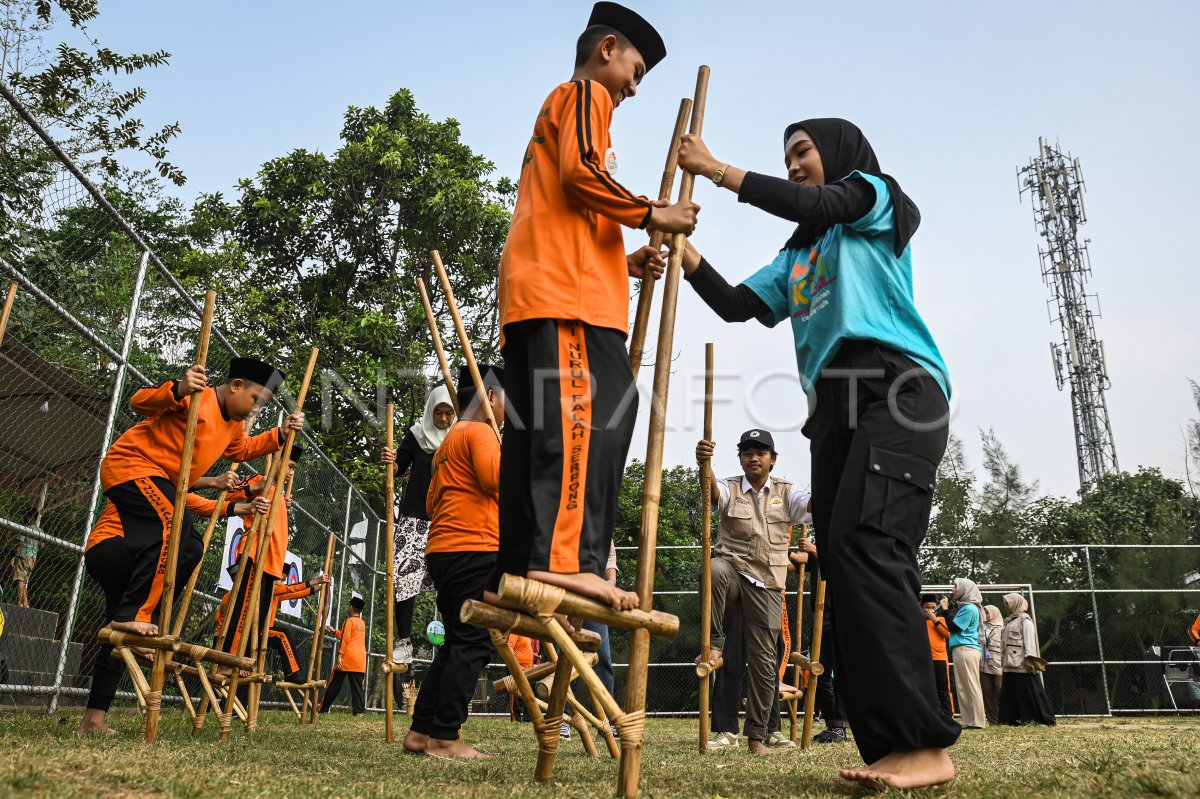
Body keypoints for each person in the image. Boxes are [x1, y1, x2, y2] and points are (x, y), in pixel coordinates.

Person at [676, 118, 960, 787]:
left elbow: (820, 202)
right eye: (787, 156)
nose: (795, 163)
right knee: (839, 553)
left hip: (897, 384)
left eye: (802, 151)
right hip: (832, 404)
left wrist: (719, 171)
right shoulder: (798, 258)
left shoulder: (872, 198)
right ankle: (892, 743)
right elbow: (738, 303)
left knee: (869, 543)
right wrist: (683, 251)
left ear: (834, 153)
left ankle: (926, 742)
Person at [493, 1, 697, 611]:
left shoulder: (575, 108)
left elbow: (573, 204)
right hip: (565, 298)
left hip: (563, 285)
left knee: (544, 426)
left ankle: (528, 561)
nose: (635, 87)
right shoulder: (584, 97)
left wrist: (624, 260)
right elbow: (584, 176)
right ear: (607, 48)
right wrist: (654, 212)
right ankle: (565, 561)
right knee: (593, 413)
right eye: (636, 69)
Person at [77, 357, 303, 736]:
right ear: (235, 385)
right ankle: (142, 614)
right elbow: (139, 402)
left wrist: (280, 434)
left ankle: (93, 718)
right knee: (173, 530)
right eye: (254, 399)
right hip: (130, 469)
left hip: (154, 511)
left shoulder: (230, 429)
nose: (255, 409)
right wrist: (179, 388)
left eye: (262, 406)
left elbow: (243, 450)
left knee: (190, 548)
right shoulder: (195, 399)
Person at [403, 365, 504, 759]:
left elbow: (431, 503)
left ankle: (421, 731)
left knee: (453, 644)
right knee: (474, 642)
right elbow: (496, 479)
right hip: (473, 548)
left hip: (443, 549)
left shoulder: (445, 444)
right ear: (491, 398)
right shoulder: (480, 432)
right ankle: (445, 737)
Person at [696, 429, 811, 755]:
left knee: (764, 664)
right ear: (741, 458)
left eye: (761, 452)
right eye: (747, 452)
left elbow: (813, 505)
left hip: (768, 585)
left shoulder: (787, 492)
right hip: (732, 576)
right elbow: (712, 494)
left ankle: (759, 737)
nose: (754, 457)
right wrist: (704, 464)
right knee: (713, 567)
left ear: (773, 459)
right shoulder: (731, 487)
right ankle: (714, 645)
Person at [380, 385, 455, 666]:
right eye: (439, 413)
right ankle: (405, 642)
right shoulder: (416, 434)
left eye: (449, 413)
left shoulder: (460, 436)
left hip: (447, 518)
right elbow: (400, 463)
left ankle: (453, 640)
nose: (444, 419)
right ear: (430, 410)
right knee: (404, 577)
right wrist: (392, 462)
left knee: (449, 580)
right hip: (414, 516)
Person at [219, 444, 305, 659]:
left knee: (259, 619)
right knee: (242, 611)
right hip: (255, 556)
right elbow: (227, 494)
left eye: (294, 469)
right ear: (277, 460)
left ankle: (244, 659)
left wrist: (281, 503)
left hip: (272, 565)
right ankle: (227, 659)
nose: (290, 473)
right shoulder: (260, 481)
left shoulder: (279, 495)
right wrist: (256, 487)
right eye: (290, 466)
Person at [998, 593, 1055, 726]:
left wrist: (1029, 660)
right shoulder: (1010, 621)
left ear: (1015, 603)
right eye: (1005, 603)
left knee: (1032, 691)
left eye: (1007, 603)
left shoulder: (1025, 621)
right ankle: (1013, 719)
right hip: (1009, 664)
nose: (1005, 606)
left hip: (1022, 664)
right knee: (1011, 693)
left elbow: (1029, 642)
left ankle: (1044, 719)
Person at [947, 578, 986, 730]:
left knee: (971, 685)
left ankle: (977, 721)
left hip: (966, 649)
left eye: (955, 586)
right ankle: (969, 721)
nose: (953, 590)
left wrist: (944, 610)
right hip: (962, 649)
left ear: (965, 589)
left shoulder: (969, 608)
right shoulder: (966, 608)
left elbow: (954, 628)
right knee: (963, 686)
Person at [319, 595, 367, 716]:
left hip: (347, 658)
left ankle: (322, 709)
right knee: (358, 687)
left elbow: (345, 639)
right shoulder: (362, 623)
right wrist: (335, 632)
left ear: (351, 607)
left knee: (334, 684)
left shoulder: (349, 621)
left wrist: (340, 655)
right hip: (360, 659)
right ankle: (359, 712)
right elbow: (350, 637)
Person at [921, 593, 954, 722]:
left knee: (944, 689)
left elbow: (947, 634)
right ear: (921, 608)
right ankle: (929, 715)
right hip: (924, 659)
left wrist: (934, 619)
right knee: (926, 689)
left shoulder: (940, 620)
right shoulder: (918, 621)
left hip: (939, 659)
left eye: (933, 607)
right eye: (927, 608)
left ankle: (948, 716)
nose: (930, 610)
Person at [11, 507, 40, 608]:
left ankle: (19, 602)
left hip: (23, 556)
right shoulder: (39, 530)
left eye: (25, 516)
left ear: (29, 517)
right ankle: (25, 603)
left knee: (19, 579)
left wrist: (14, 557)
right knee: (23, 581)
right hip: (33, 558)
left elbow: (18, 543)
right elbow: (42, 544)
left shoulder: (25, 528)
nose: (23, 518)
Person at [981, 604, 1005, 724]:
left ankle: (1007, 716)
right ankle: (993, 720)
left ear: (994, 613)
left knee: (1000, 689)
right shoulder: (980, 628)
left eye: (987, 612)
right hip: (983, 665)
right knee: (986, 691)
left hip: (998, 665)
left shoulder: (1002, 629)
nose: (985, 614)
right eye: (983, 612)